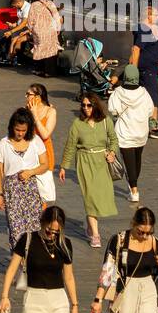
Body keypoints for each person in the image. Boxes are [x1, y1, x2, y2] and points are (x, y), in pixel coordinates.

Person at [0, 205, 78, 313]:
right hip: (34, 300)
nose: (52, 235)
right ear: (42, 222)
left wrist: (75, 305)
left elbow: (68, 276)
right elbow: (11, 270)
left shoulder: (65, 243)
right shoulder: (28, 240)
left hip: (58, 301)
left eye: (57, 231)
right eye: (49, 230)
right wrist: (5, 297)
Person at [59, 92, 119, 248]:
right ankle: (96, 235)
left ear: (95, 106)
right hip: (85, 162)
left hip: (102, 162)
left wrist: (112, 153)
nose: (86, 108)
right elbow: (70, 146)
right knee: (90, 196)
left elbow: (114, 140)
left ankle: (90, 226)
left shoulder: (106, 122)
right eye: (83, 105)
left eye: (89, 105)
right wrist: (64, 166)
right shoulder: (77, 124)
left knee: (99, 196)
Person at [0, 108, 47, 250]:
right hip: (12, 191)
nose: (20, 133)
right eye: (17, 130)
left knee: (34, 227)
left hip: (32, 190)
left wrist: (31, 172)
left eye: (23, 130)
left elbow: (45, 164)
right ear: (12, 127)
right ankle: (21, 261)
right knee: (16, 228)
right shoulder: (4, 143)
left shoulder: (35, 140)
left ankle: (32, 260)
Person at [108, 65, 153, 202]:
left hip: (124, 132)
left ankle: (134, 190)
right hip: (141, 131)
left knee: (128, 162)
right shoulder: (144, 92)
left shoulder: (118, 92)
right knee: (137, 159)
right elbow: (150, 110)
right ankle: (133, 184)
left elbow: (112, 110)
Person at [130, 4, 158, 139]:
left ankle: (140, 124)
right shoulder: (144, 29)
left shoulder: (146, 29)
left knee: (143, 98)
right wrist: (133, 71)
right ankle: (153, 128)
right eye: (155, 15)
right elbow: (136, 49)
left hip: (148, 68)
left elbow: (155, 37)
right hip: (147, 69)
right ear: (148, 16)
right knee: (154, 98)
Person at [25, 83, 57, 204]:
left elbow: (45, 134)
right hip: (28, 153)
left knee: (43, 194)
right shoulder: (25, 110)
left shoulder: (50, 111)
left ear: (38, 97)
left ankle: (41, 221)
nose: (26, 97)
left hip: (44, 154)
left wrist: (35, 115)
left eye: (29, 94)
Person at [25, 0, 62, 78]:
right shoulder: (51, 3)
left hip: (39, 31)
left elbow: (30, 20)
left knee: (40, 49)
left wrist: (30, 29)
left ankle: (40, 70)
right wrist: (58, 29)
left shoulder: (34, 5)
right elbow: (57, 17)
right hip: (51, 30)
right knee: (51, 50)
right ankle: (50, 72)